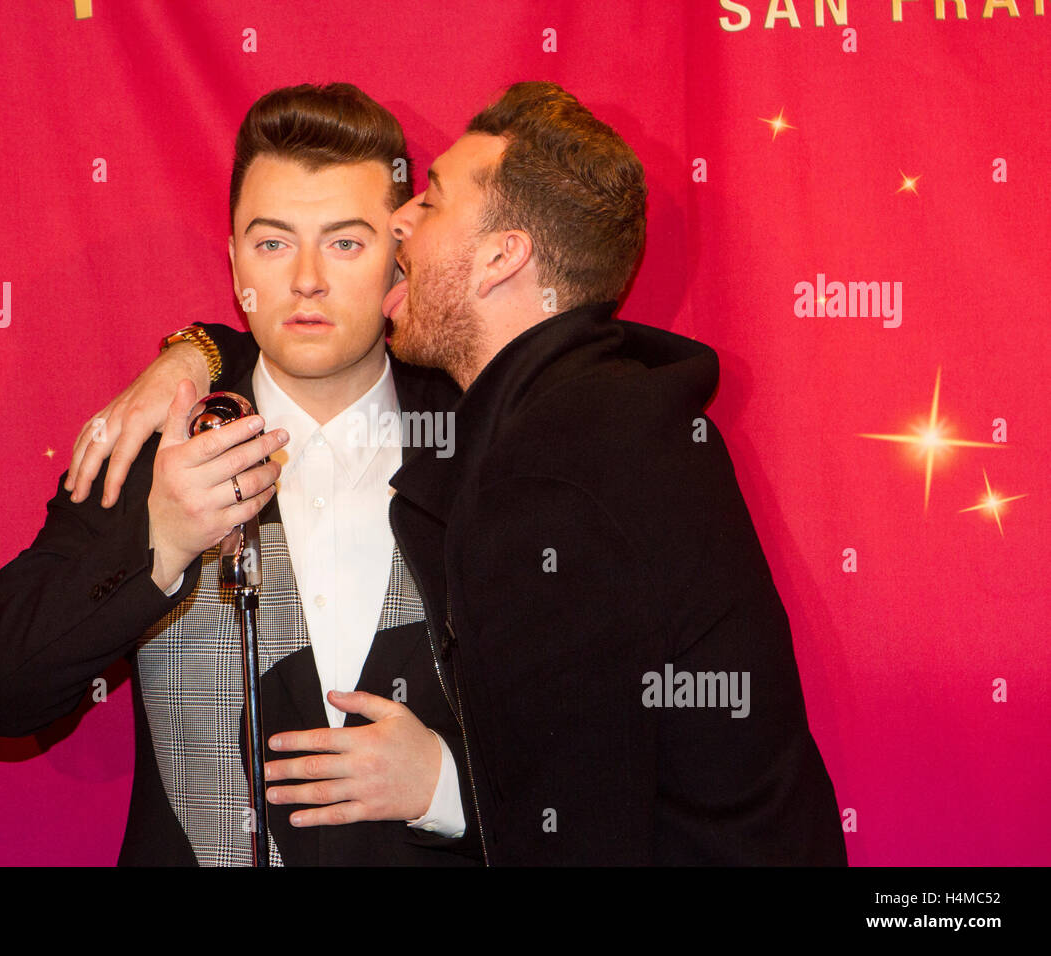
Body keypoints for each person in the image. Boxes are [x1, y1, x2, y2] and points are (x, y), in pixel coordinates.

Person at [74, 82, 847, 865]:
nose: (402, 221)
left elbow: (573, 825)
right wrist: (198, 349)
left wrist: (442, 782)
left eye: (433, 202)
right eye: (270, 243)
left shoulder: (554, 472)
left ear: (502, 257)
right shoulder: (599, 410)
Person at [0, 83, 481, 866]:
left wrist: (447, 786)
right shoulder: (151, 444)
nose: (304, 279)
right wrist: (157, 541)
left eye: (345, 243)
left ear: (401, 257)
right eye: (271, 243)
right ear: (234, 264)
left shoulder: (486, 440)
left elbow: (594, 740)